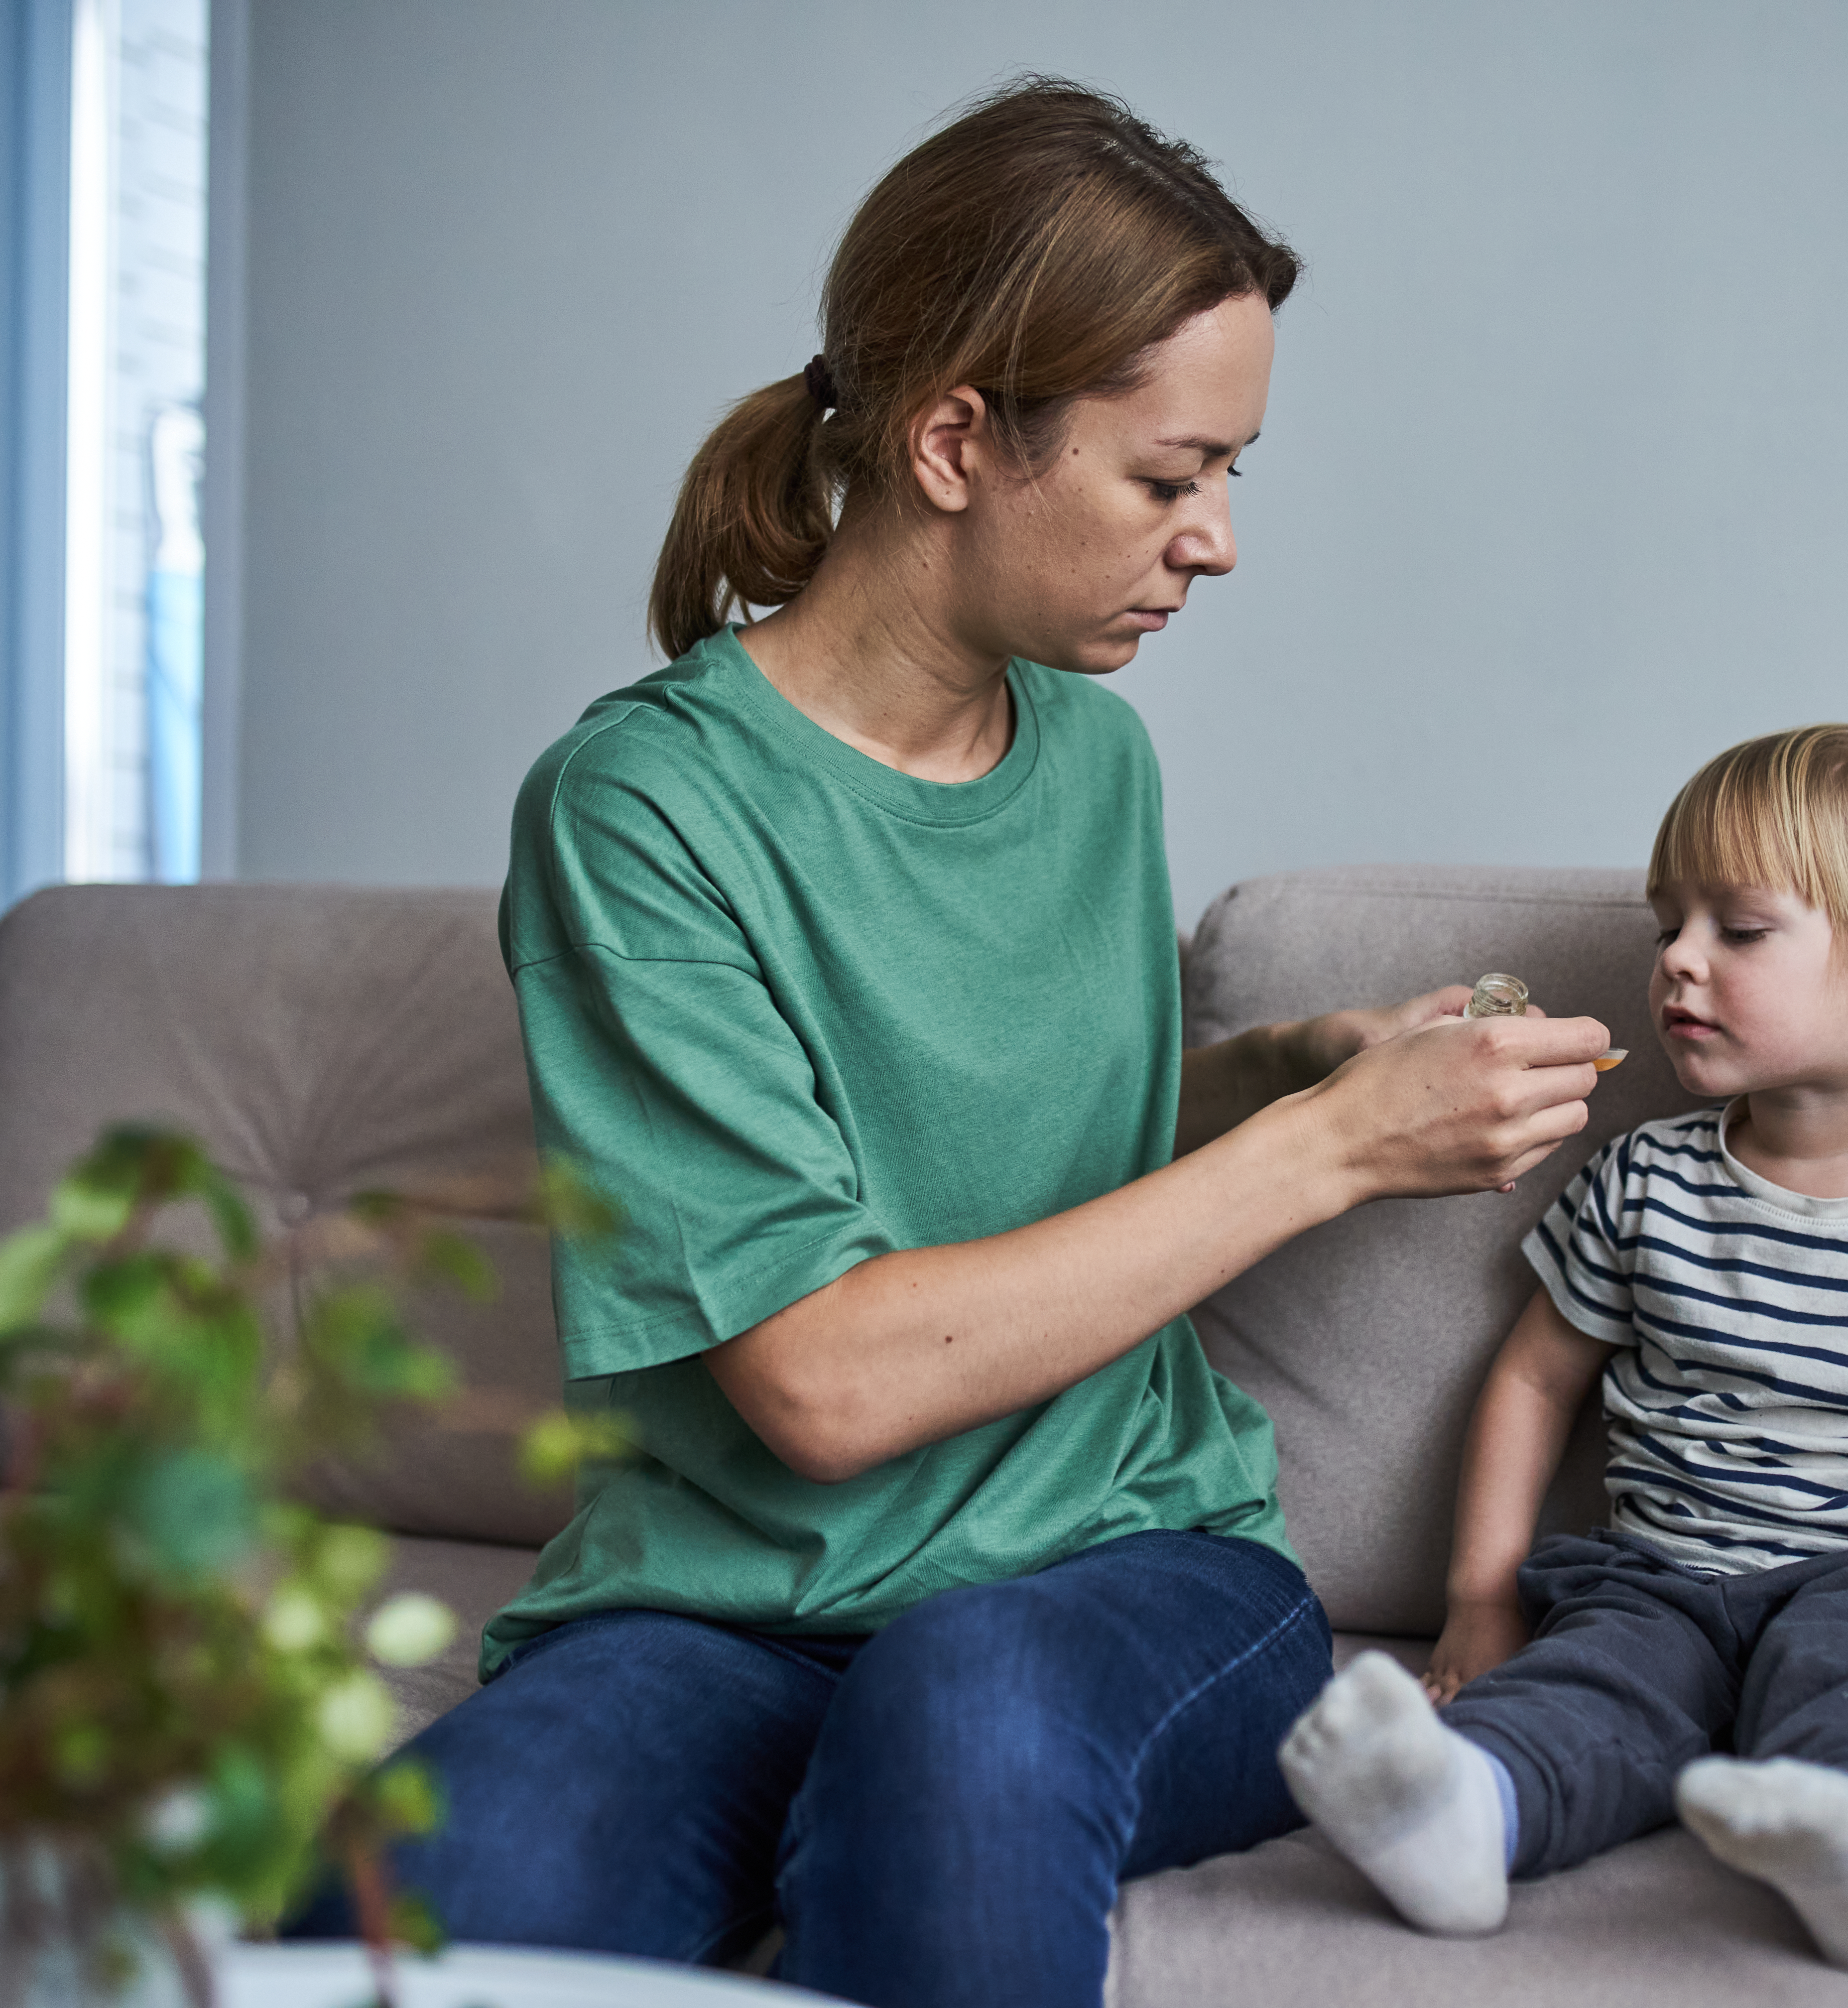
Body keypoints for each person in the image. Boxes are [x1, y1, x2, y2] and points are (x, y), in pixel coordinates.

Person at [293, 79, 1615, 2007]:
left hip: (1136, 1570)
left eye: (1233, 474)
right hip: (728, 1604)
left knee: (957, 1724)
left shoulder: (1094, 749)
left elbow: (1010, 1136)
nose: (1219, 542)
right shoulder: (642, 812)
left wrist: (1291, 1079)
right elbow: (822, 1383)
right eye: (1170, 478)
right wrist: (1327, 1153)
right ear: (951, 443)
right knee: (384, 1927)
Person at [1277, 725, 1848, 1975]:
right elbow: (1537, 1379)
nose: (1678, 964)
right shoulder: (1645, 1181)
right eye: (1668, 928)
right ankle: (1469, 1811)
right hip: (1663, 1582)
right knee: (1592, 1682)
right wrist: (1481, 1597)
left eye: (1738, 930)